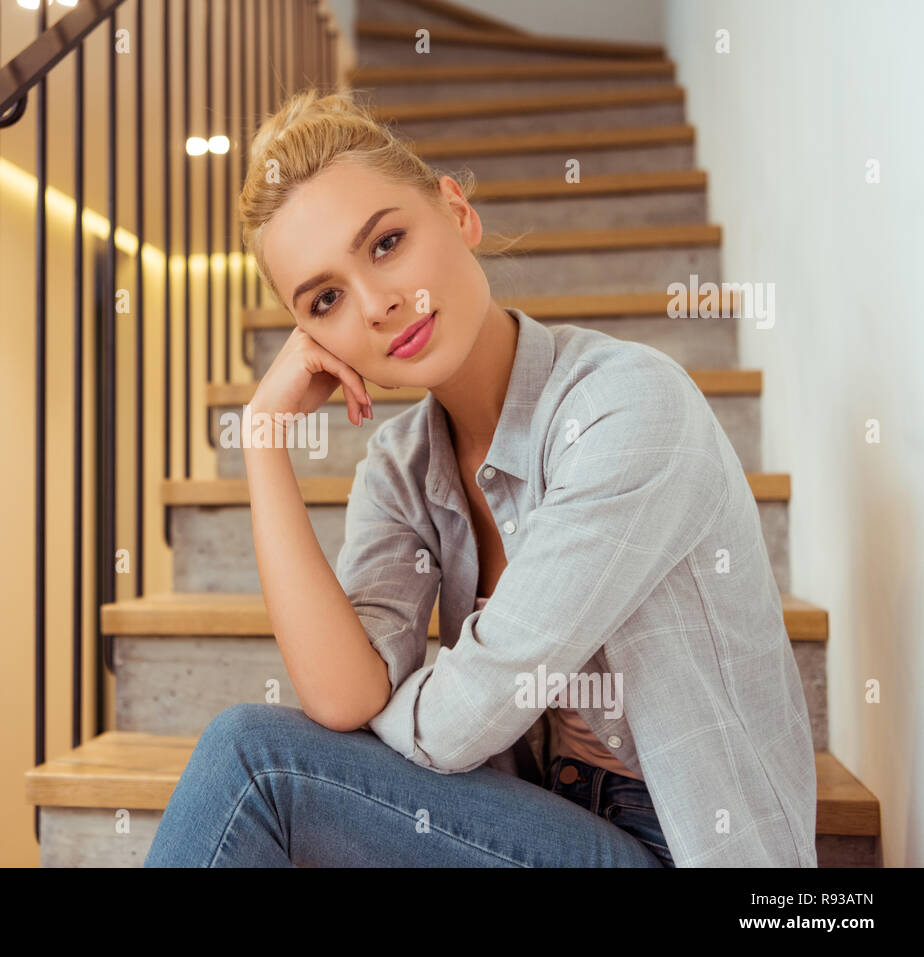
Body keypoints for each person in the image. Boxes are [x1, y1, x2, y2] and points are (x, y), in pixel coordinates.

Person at [144, 88, 816, 868]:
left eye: (387, 242)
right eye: (326, 299)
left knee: (254, 761)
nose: (377, 303)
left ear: (457, 213)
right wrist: (262, 440)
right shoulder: (402, 468)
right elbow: (343, 697)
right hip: (545, 822)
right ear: (313, 337)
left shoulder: (627, 407)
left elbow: (456, 725)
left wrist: (383, 722)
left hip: (690, 844)